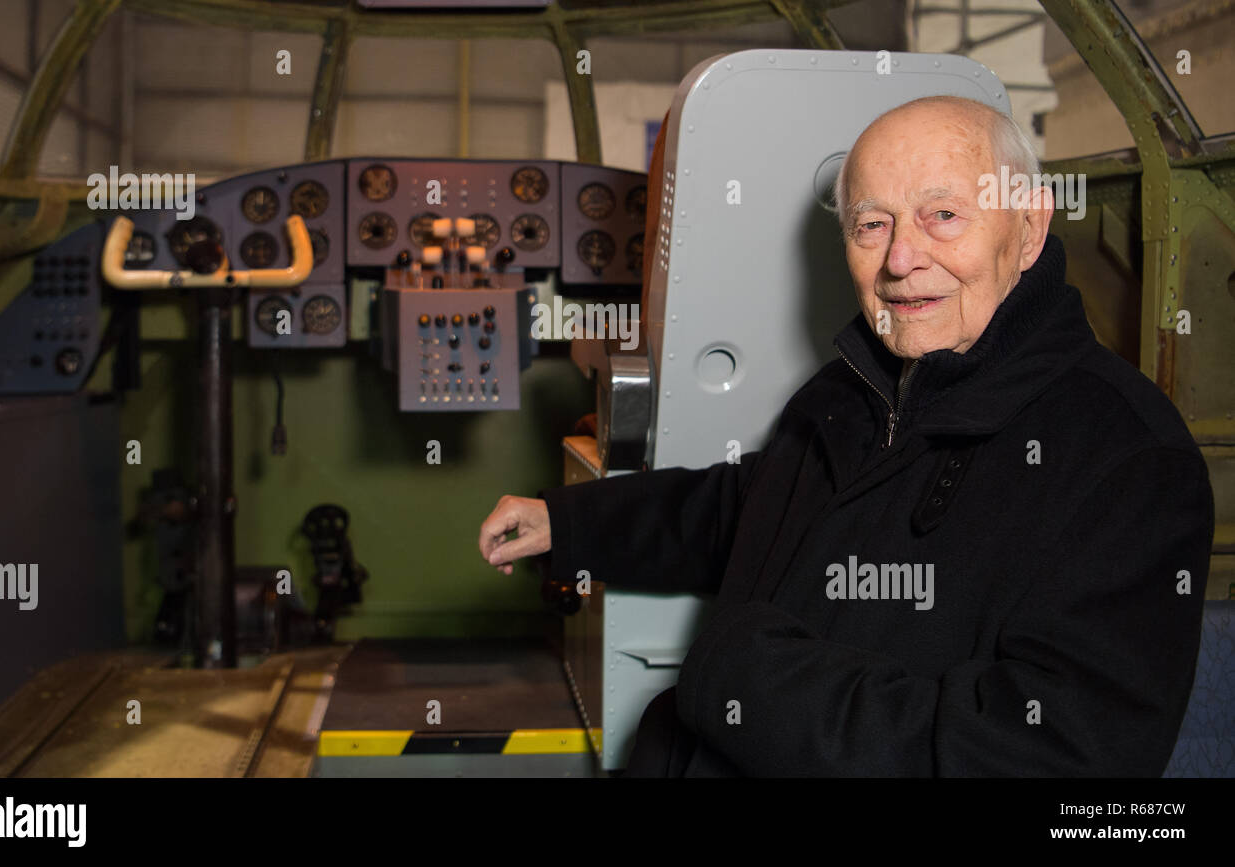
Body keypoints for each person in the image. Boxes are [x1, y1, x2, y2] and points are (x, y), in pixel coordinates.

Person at [477, 95, 1214, 776]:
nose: (900, 259)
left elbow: (1056, 757)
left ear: (1029, 227)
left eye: (943, 215)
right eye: (872, 224)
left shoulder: (1128, 459)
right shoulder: (850, 390)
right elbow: (743, 508)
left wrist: (747, 679)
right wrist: (567, 523)